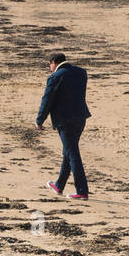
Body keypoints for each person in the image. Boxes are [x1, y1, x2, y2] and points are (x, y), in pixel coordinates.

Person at [37, 52, 91, 199]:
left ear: (53, 62)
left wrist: (39, 120)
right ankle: (59, 185)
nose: (50, 68)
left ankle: (82, 190)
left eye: (49, 65)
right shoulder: (81, 73)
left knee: (73, 154)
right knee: (69, 151)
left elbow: (47, 100)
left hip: (64, 120)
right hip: (80, 117)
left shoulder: (55, 77)